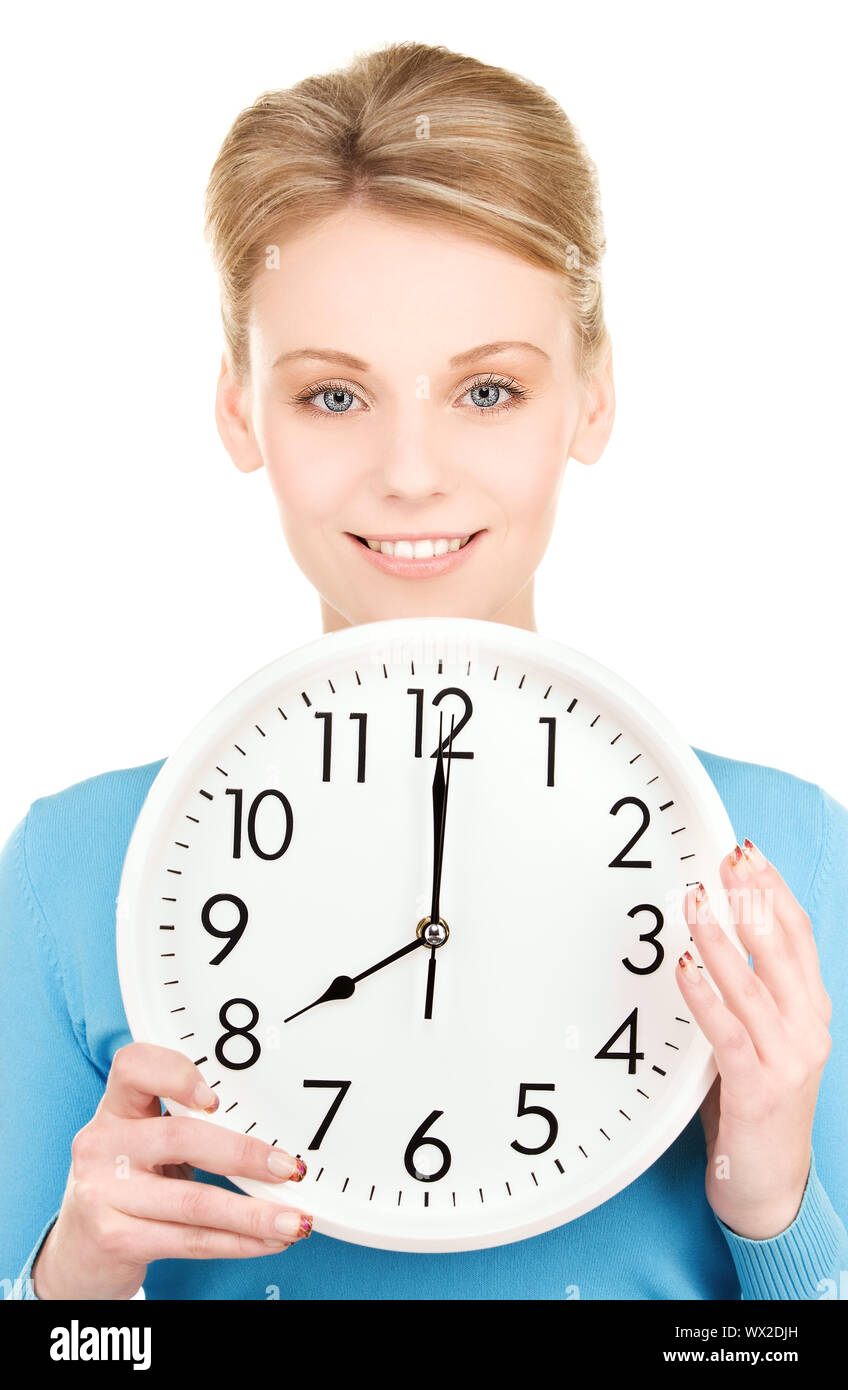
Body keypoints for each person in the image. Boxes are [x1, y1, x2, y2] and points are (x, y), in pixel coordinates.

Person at [2, 38, 846, 1302]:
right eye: (333, 397)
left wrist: (770, 1203)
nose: (409, 472)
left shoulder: (782, 857)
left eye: (487, 390)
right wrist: (74, 1291)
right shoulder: (79, 872)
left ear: (592, 396)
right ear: (240, 408)